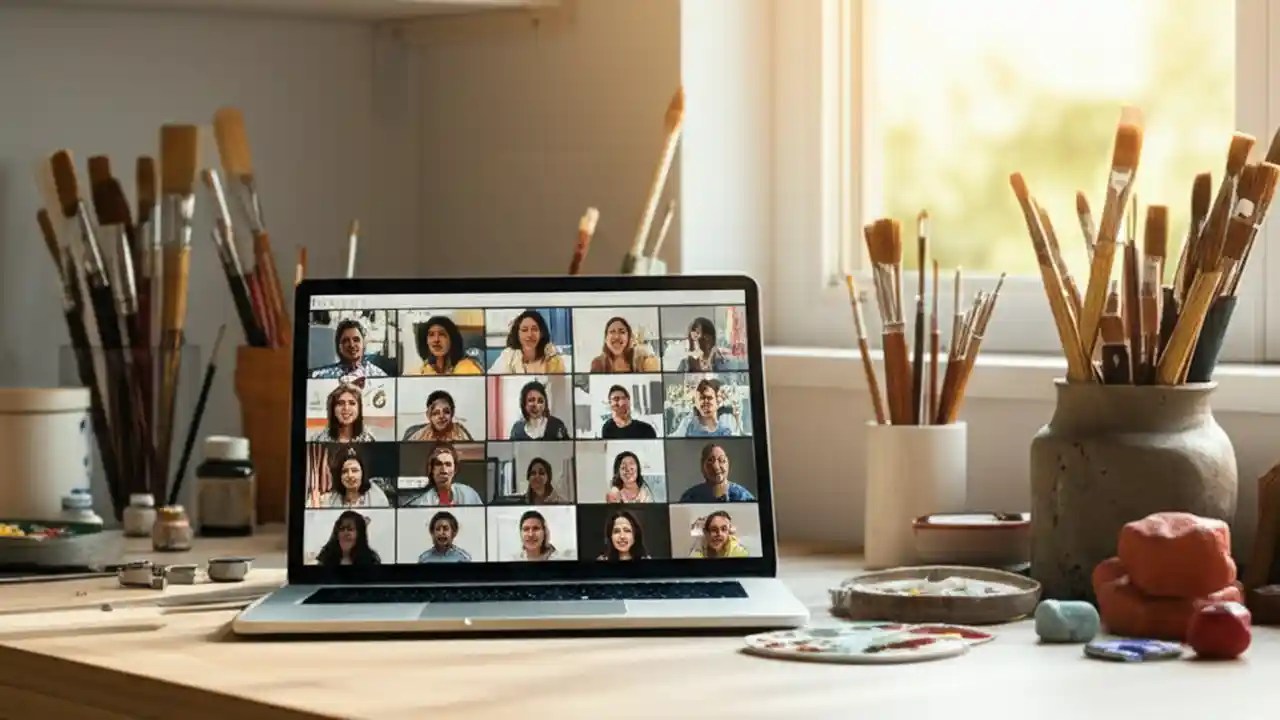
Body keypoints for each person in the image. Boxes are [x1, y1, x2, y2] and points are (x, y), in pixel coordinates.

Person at [489, 310, 567, 374]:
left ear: (541, 333)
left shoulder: (552, 358)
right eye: (524, 330)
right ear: (517, 334)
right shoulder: (508, 356)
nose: (529, 335)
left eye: (534, 329)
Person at [310, 320, 388, 379]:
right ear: (339, 346)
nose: (351, 345)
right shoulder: (323, 376)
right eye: (346, 340)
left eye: (356, 340)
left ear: (363, 344)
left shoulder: (378, 375)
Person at [409, 444, 484, 507]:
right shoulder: (420, 503)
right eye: (438, 464)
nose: (443, 469)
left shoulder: (469, 494)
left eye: (448, 464)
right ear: (431, 469)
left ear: (455, 470)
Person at [679, 443, 756, 503]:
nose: (716, 467)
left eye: (721, 460)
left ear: (728, 464)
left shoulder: (743, 497)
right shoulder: (691, 497)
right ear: (702, 467)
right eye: (710, 461)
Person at [410, 316, 484, 375]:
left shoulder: (468, 368)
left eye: (442, 334)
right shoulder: (421, 371)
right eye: (431, 335)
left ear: (452, 340)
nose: (436, 340)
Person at [318, 448, 390, 508]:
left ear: (363, 473)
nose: (350, 475)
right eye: (345, 471)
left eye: (355, 470)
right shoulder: (330, 501)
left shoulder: (377, 498)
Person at [589, 316, 660, 373]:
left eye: (622, 332)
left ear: (628, 337)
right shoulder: (598, 363)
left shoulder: (641, 359)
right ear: (605, 339)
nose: (617, 336)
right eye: (612, 332)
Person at [309, 383, 377, 442]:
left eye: (352, 403)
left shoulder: (369, 439)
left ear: (359, 408)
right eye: (340, 403)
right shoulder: (318, 439)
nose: (346, 408)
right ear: (333, 409)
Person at [401, 390, 474, 442]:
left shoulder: (462, 435)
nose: (441, 416)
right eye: (436, 413)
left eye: (446, 412)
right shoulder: (416, 435)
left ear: (453, 413)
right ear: (428, 415)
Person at [315, 511, 382, 566]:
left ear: (359, 534)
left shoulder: (370, 561)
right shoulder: (326, 559)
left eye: (350, 529)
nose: (345, 533)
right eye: (342, 529)